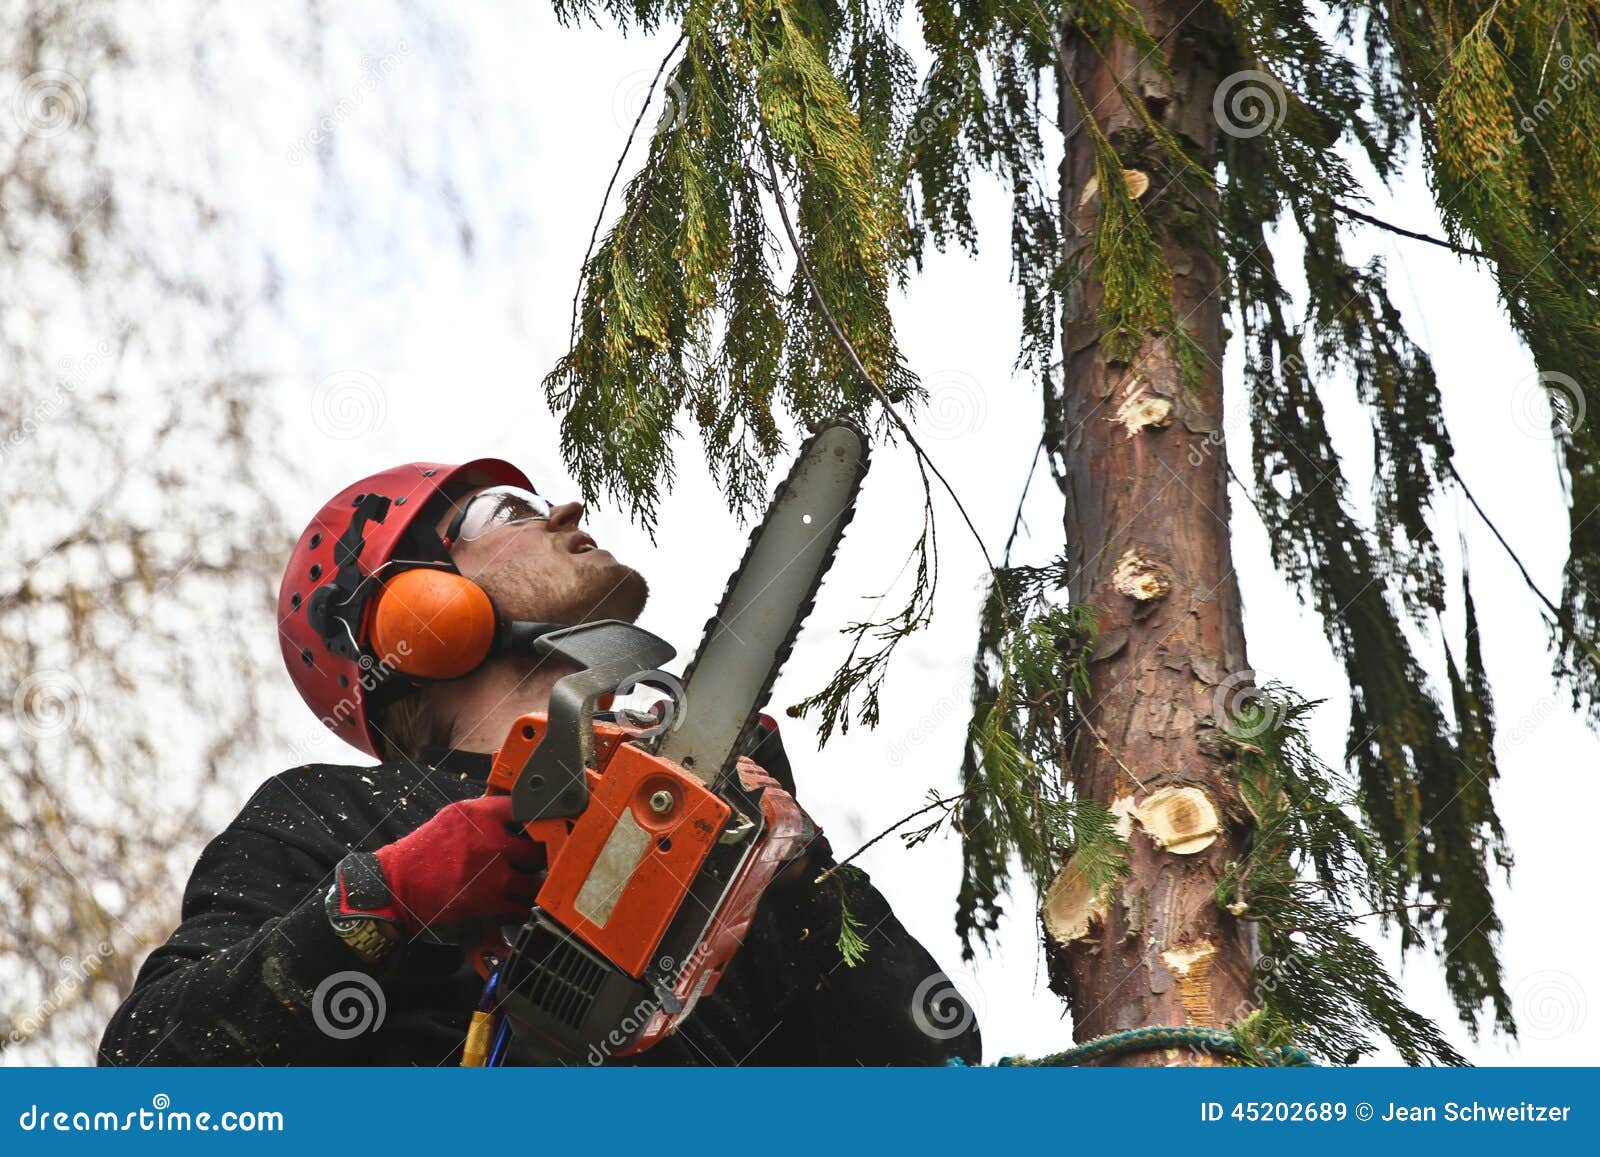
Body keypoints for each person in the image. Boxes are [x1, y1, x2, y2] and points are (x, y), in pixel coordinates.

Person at [98, 458, 981, 1066]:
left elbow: (938, 1062)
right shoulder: (332, 815)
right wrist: (393, 891)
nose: (564, 509)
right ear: (406, 605)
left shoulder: (703, 829)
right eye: (500, 515)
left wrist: (796, 880)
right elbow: (151, 1073)